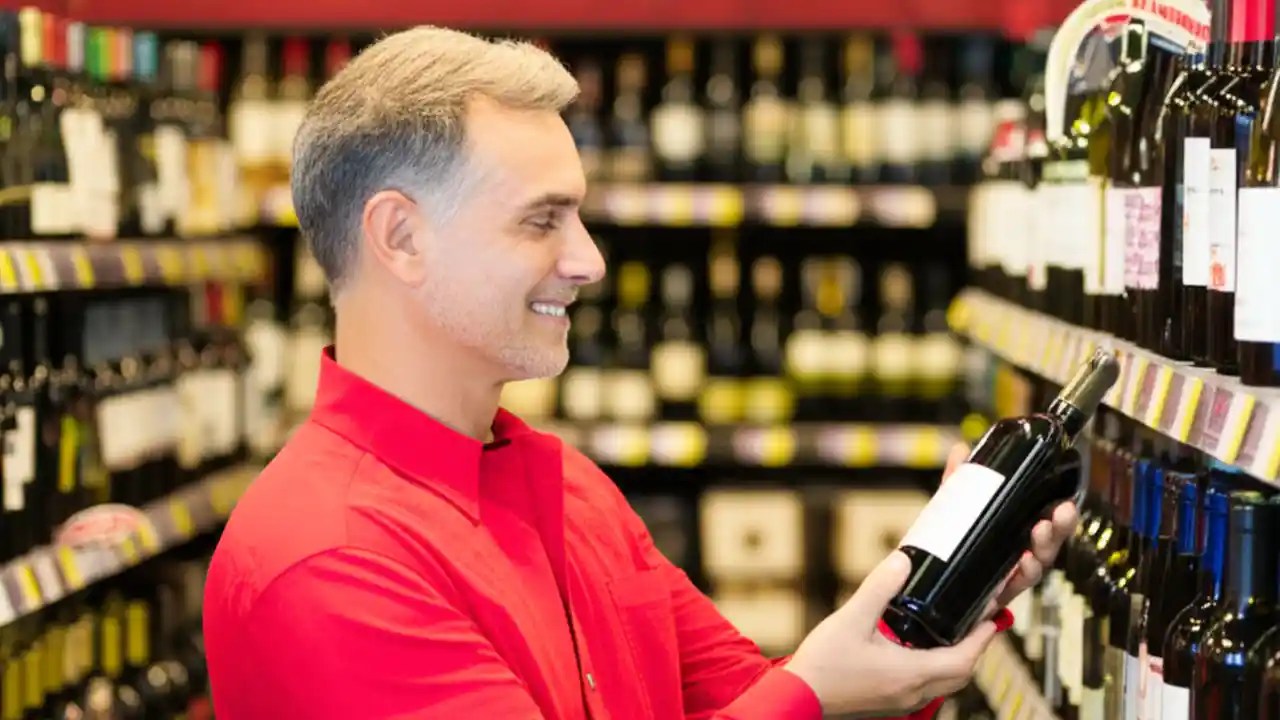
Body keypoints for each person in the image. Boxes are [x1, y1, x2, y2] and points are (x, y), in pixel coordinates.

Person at [202, 27, 1078, 720]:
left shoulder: (574, 493)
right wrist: (812, 689)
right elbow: (799, 699)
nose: (586, 261)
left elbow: (765, 695)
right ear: (400, 237)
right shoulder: (327, 558)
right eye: (541, 220)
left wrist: (934, 595)